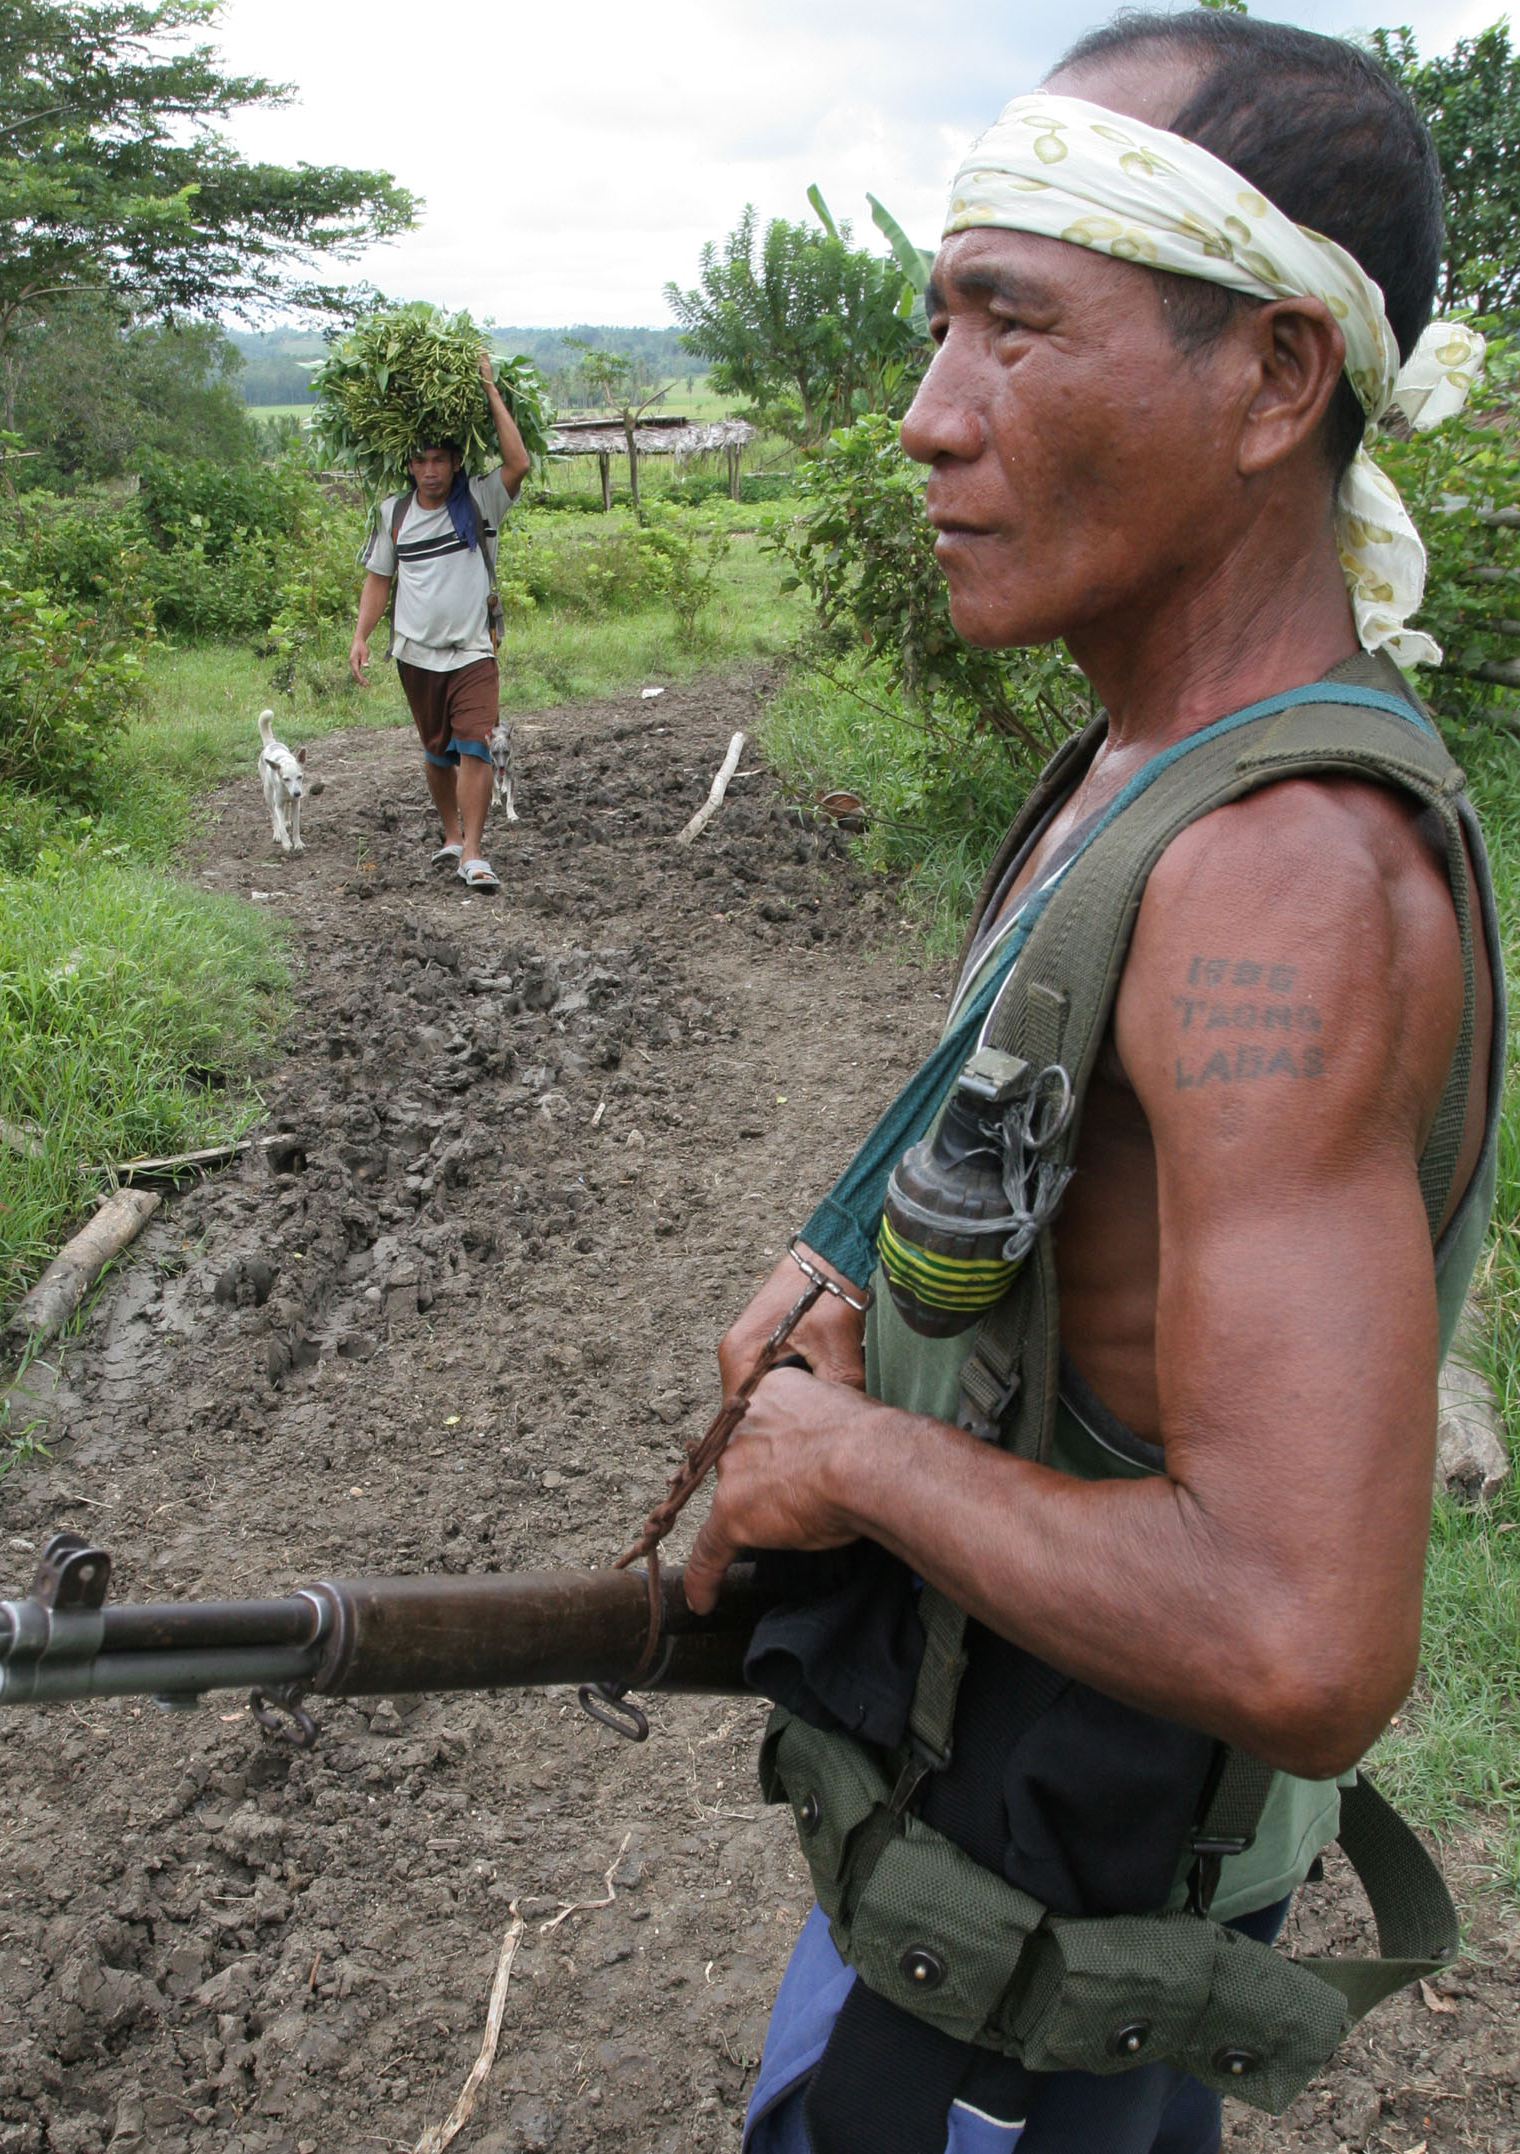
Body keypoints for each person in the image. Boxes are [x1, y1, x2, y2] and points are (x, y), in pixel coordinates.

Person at [677, 15, 1503, 2154]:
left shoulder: (1283, 887)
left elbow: (1306, 1634)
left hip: (1031, 1995)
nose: (929, 417)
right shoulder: (1138, 771)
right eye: (943, 323)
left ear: (1276, 382)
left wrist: (848, 1467)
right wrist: (868, 1298)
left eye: (1016, 331)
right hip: (959, 1886)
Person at [350, 350, 531, 892]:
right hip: (415, 654)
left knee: (476, 743)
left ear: (455, 464)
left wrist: (490, 390)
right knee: (436, 751)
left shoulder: (479, 501)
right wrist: (360, 636)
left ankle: (474, 852)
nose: (430, 470)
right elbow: (379, 579)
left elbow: (519, 463)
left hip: (473, 649)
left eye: (440, 460)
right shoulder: (394, 514)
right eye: (420, 461)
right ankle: (452, 836)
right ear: (409, 466)